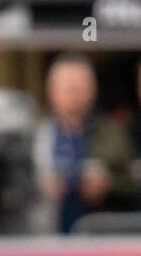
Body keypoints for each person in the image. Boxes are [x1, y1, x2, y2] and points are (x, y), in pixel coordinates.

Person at [34, 56, 136, 233]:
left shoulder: (113, 133)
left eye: (79, 86)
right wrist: (38, 187)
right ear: (51, 90)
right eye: (67, 87)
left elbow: (133, 182)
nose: (73, 93)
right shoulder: (34, 134)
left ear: (93, 89)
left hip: (100, 233)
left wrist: (108, 184)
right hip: (43, 236)